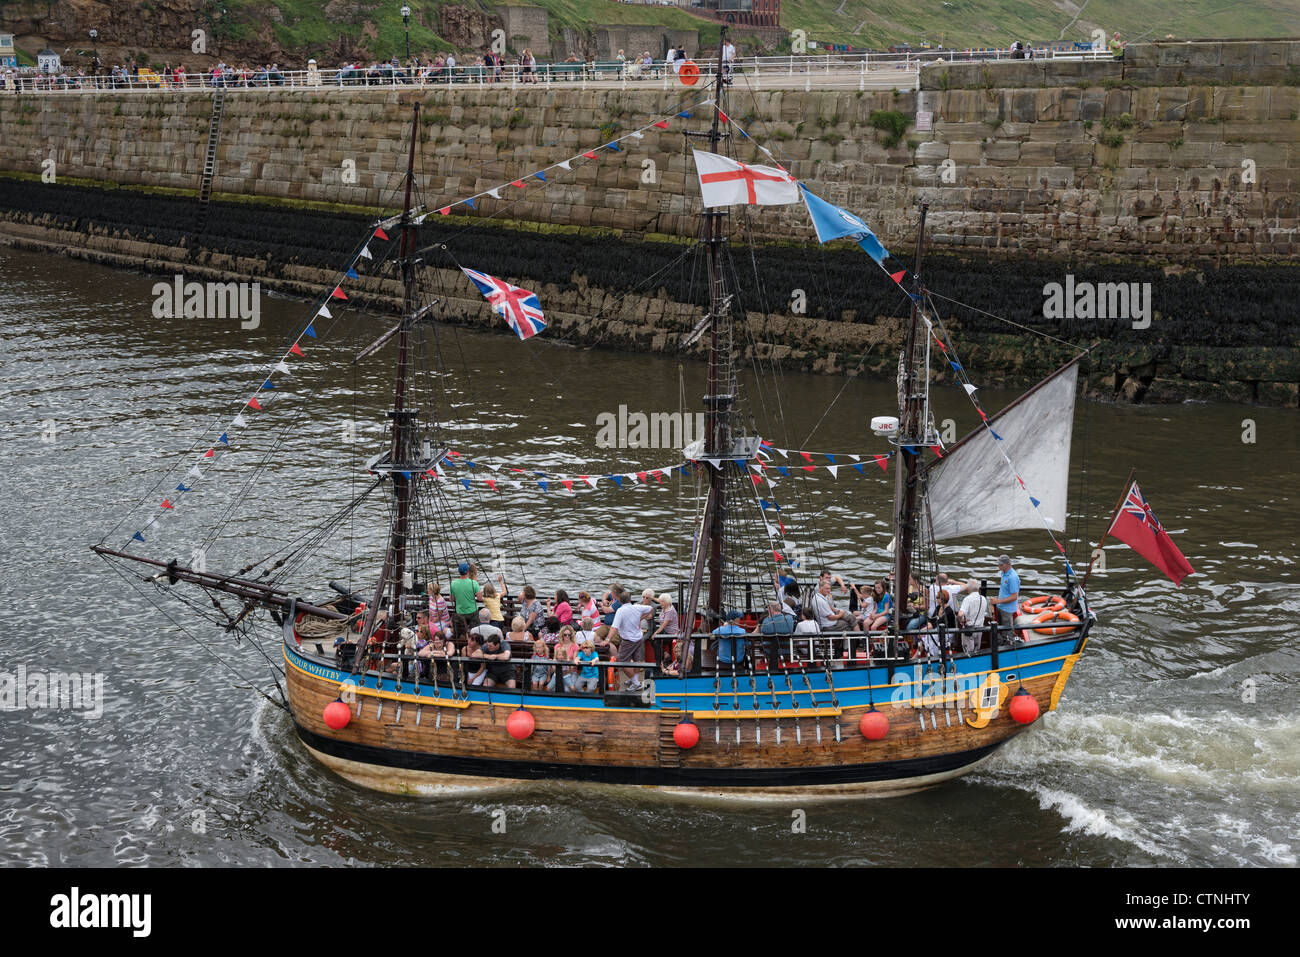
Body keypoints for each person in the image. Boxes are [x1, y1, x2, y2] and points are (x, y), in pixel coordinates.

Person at [610, 588, 655, 693]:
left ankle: (636, 683)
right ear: (630, 599)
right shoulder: (637, 607)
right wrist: (642, 617)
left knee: (622, 662)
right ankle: (633, 679)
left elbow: (614, 627)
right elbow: (651, 608)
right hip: (638, 638)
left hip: (628, 640)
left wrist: (608, 639)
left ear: (620, 601)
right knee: (637, 660)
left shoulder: (620, 611)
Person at [448, 562, 482, 639]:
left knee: (460, 633)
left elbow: (451, 599)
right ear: (467, 571)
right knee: (475, 632)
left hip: (460, 613)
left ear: (459, 572)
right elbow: (479, 598)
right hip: (473, 612)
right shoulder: (474, 583)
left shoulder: (453, 584)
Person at [957, 578, 989, 654]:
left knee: (968, 651)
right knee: (977, 649)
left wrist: (961, 620)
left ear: (968, 589)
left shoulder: (967, 599)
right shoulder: (983, 598)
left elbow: (960, 614)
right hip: (980, 628)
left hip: (969, 629)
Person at [994, 555, 1021, 629]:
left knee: (1007, 632)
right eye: (998, 564)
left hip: (1007, 610)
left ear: (1008, 564)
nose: (999, 566)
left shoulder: (1012, 577)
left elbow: (1014, 596)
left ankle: (1008, 640)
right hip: (1000, 606)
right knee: (1000, 629)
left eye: (1001, 565)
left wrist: (998, 601)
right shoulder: (1003, 572)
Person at [553, 626, 579, 691]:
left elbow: (574, 662)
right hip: (559, 671)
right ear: (562, 635)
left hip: (571, 672)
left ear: (571, 635)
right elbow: (554, 660)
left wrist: (567, 672)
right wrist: (557, 671)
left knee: (567, 690)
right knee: (553, 689)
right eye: (565, 635)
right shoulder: (557, 646)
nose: (567, 636)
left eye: (569, 635)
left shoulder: (575, 646)